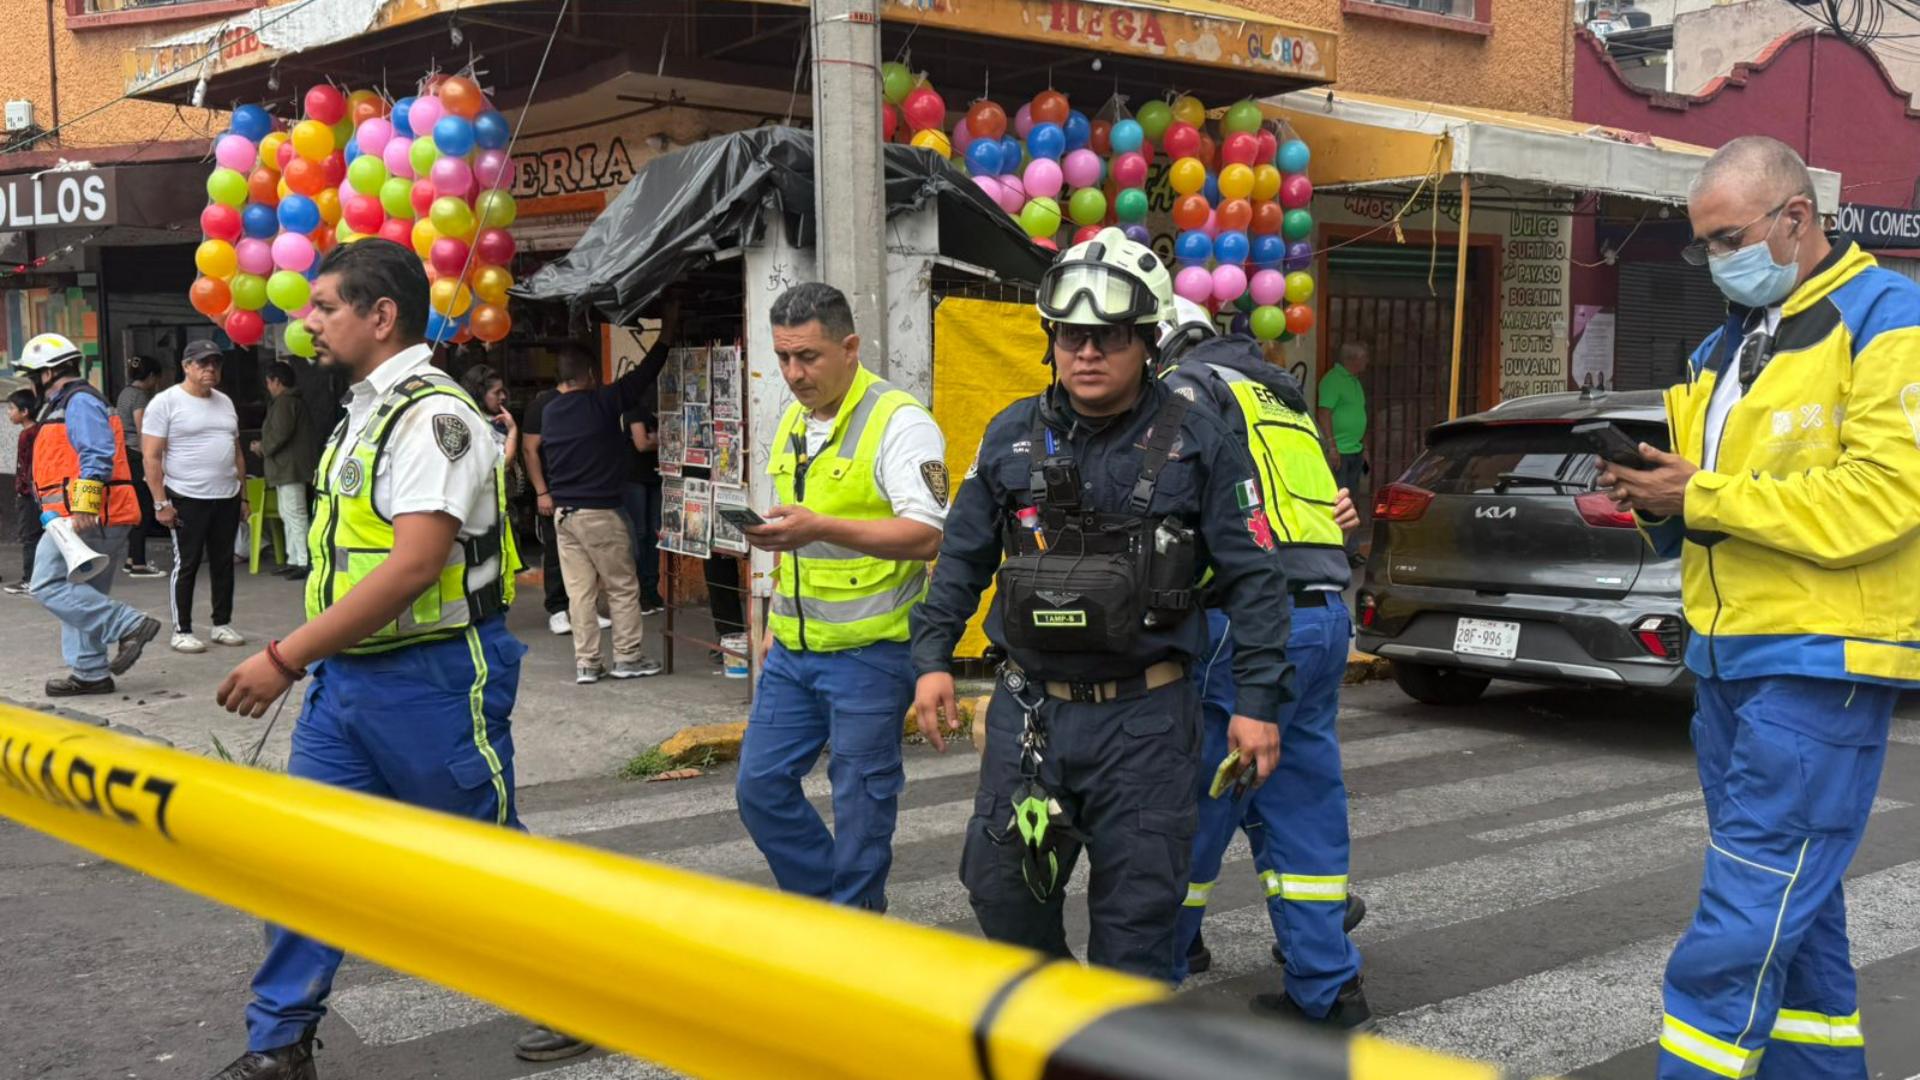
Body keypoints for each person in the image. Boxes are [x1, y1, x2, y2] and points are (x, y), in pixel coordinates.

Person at [1601, 136, 1920, 1080]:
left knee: (1745, 911)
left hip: (1822, 662)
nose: (1713, 261)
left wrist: (1697, 494)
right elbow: (1715, 509)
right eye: (1702, 244)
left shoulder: (1890, 318)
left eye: (1728, 236)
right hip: (1726, 661)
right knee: (1795, 907)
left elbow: (1884, 499)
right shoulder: (1719, 347)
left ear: (1798, 218)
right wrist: (1657, 501)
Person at [911, 228, 1293, 982]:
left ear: (1147, 343)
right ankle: (1056, 1030)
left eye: (1110, 337)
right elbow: (962, 555)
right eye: (1072, 336)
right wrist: (929, 661)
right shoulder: (1010, 435)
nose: (1088, 353)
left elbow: (1255, 577)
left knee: (1136, 932)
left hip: (1146, 725)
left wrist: (1258, 702)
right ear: (1051, 340)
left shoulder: (1203, 440)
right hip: (1032, 716)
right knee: (1002, 897)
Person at [208, 238, 527, 1080]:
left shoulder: (435, 417)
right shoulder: (365, 407)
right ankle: (279, 1042)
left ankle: (604, 986)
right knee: (308, 858)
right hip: (349, 682)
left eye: (325, 307)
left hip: (433, 680)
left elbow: (415, 564)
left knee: (485, 863)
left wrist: (284, 656)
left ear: (381, 317)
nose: (305, 321)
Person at [1156, 298, 1373, 1028]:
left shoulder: (1187, 389)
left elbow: (1168, 500)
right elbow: (1324, 503)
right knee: (1301, 798)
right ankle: (1328, 985)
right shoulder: (1277, 394)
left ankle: (1167, 953)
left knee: (1197, 796)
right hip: (1323, 612)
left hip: (1244, 619)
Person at [733, 281, 946, 914]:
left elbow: (928, 535)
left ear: (850, 348)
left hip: (872, 653)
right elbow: (787, 535)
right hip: (795, 649)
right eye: (784, 358)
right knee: (760, 787)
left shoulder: (900, 422)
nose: (794, 374)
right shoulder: (795, 421)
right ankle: (833, 913)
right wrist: (773, 619)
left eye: (808, 357)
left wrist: (821, 526)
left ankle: (855, 928)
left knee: (860, 802)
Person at [12, 334, 163, 696]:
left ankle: (128, 624)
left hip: (84, 517)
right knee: (80, 594)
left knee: (47, 584)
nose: (30, 381)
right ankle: (90, 672)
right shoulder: (70, 402)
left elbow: (96, 454)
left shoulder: (79, 401)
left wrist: (84, 505)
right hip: (94, 516)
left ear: (48, 373)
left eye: (32, 373)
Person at [537, 343, 665, 684]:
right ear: (591, 375)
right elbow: (642, 376)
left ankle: (587, 663)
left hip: (564, 515)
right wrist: (665, 336)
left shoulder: (550, 411)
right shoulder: (600, 402)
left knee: (580, 593)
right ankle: (627, 656)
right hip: (599, 512)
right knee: (622, 586)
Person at [144, 340, 248, 653]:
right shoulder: (165, 402)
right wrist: (161, 502)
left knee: (223, 563)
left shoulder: (225, 402)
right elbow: (151, 456)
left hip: (226, 494)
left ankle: (222, 624)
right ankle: (182, 629)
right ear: (186, 366)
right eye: (202, 363)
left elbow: (237, 452)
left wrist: (243, 496)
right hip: (186, 495)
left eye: (215, 363)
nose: (210, 369)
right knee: (187, 563)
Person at [254, 362, 317, 580]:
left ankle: (304, 560)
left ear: (276, 381)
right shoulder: (291, 402)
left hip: (290, 469)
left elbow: (280, 434)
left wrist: (261, 446)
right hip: (288, 469)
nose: (268, 386)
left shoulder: (284, 403)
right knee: (289, 514)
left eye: (269, 382)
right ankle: (294, 558)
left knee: (295, 515)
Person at [1316, 341, 1369, 564]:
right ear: (1353, 360)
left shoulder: (1355, 381)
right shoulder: (1332, 380)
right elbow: (1323, 413)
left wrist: (1364, 447)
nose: (1367, 363)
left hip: (1355, 450)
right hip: (1340, 451)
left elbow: (1358, 414)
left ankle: (1350, 551)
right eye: (1364, 358)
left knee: (1353, 501)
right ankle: (1336, 551)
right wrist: (1332, 446)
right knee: (1338, 502)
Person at [116, 354, 165, 577]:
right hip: (137, 454)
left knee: (137, 506)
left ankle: (130, 559)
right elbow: (142, 428)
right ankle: (138, 563)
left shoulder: (125, 393)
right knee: (144, 509)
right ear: (152, 376)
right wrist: (151, 456)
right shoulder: (140, 397)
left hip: (125, 453)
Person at [619, 402, 665, 614]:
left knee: (655, 533)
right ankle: (639, 593)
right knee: (639, 533)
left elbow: (648, 441)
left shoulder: (660, 405)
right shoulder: (634, 408)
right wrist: (662, 440)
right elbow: (642, 443)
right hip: (634, 476)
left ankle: (651, 588)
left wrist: (655, 439)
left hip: (654, 476)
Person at [7, 389, 41, 596]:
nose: (9, 413)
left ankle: (30, 579)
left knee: (29, 537)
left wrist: (22, 489)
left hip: (29, 493)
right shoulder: (37, 431)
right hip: (37, 492)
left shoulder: (28, 435)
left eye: (11, 408)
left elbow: (26, 467)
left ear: (25, 411)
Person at [460, 364, 520, 469]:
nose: (503, 396)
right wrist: (513, 430)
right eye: (497, 393)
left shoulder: (483, 419)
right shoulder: (478, 426)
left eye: (503, 391)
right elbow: (504, 462)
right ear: (480, 395)